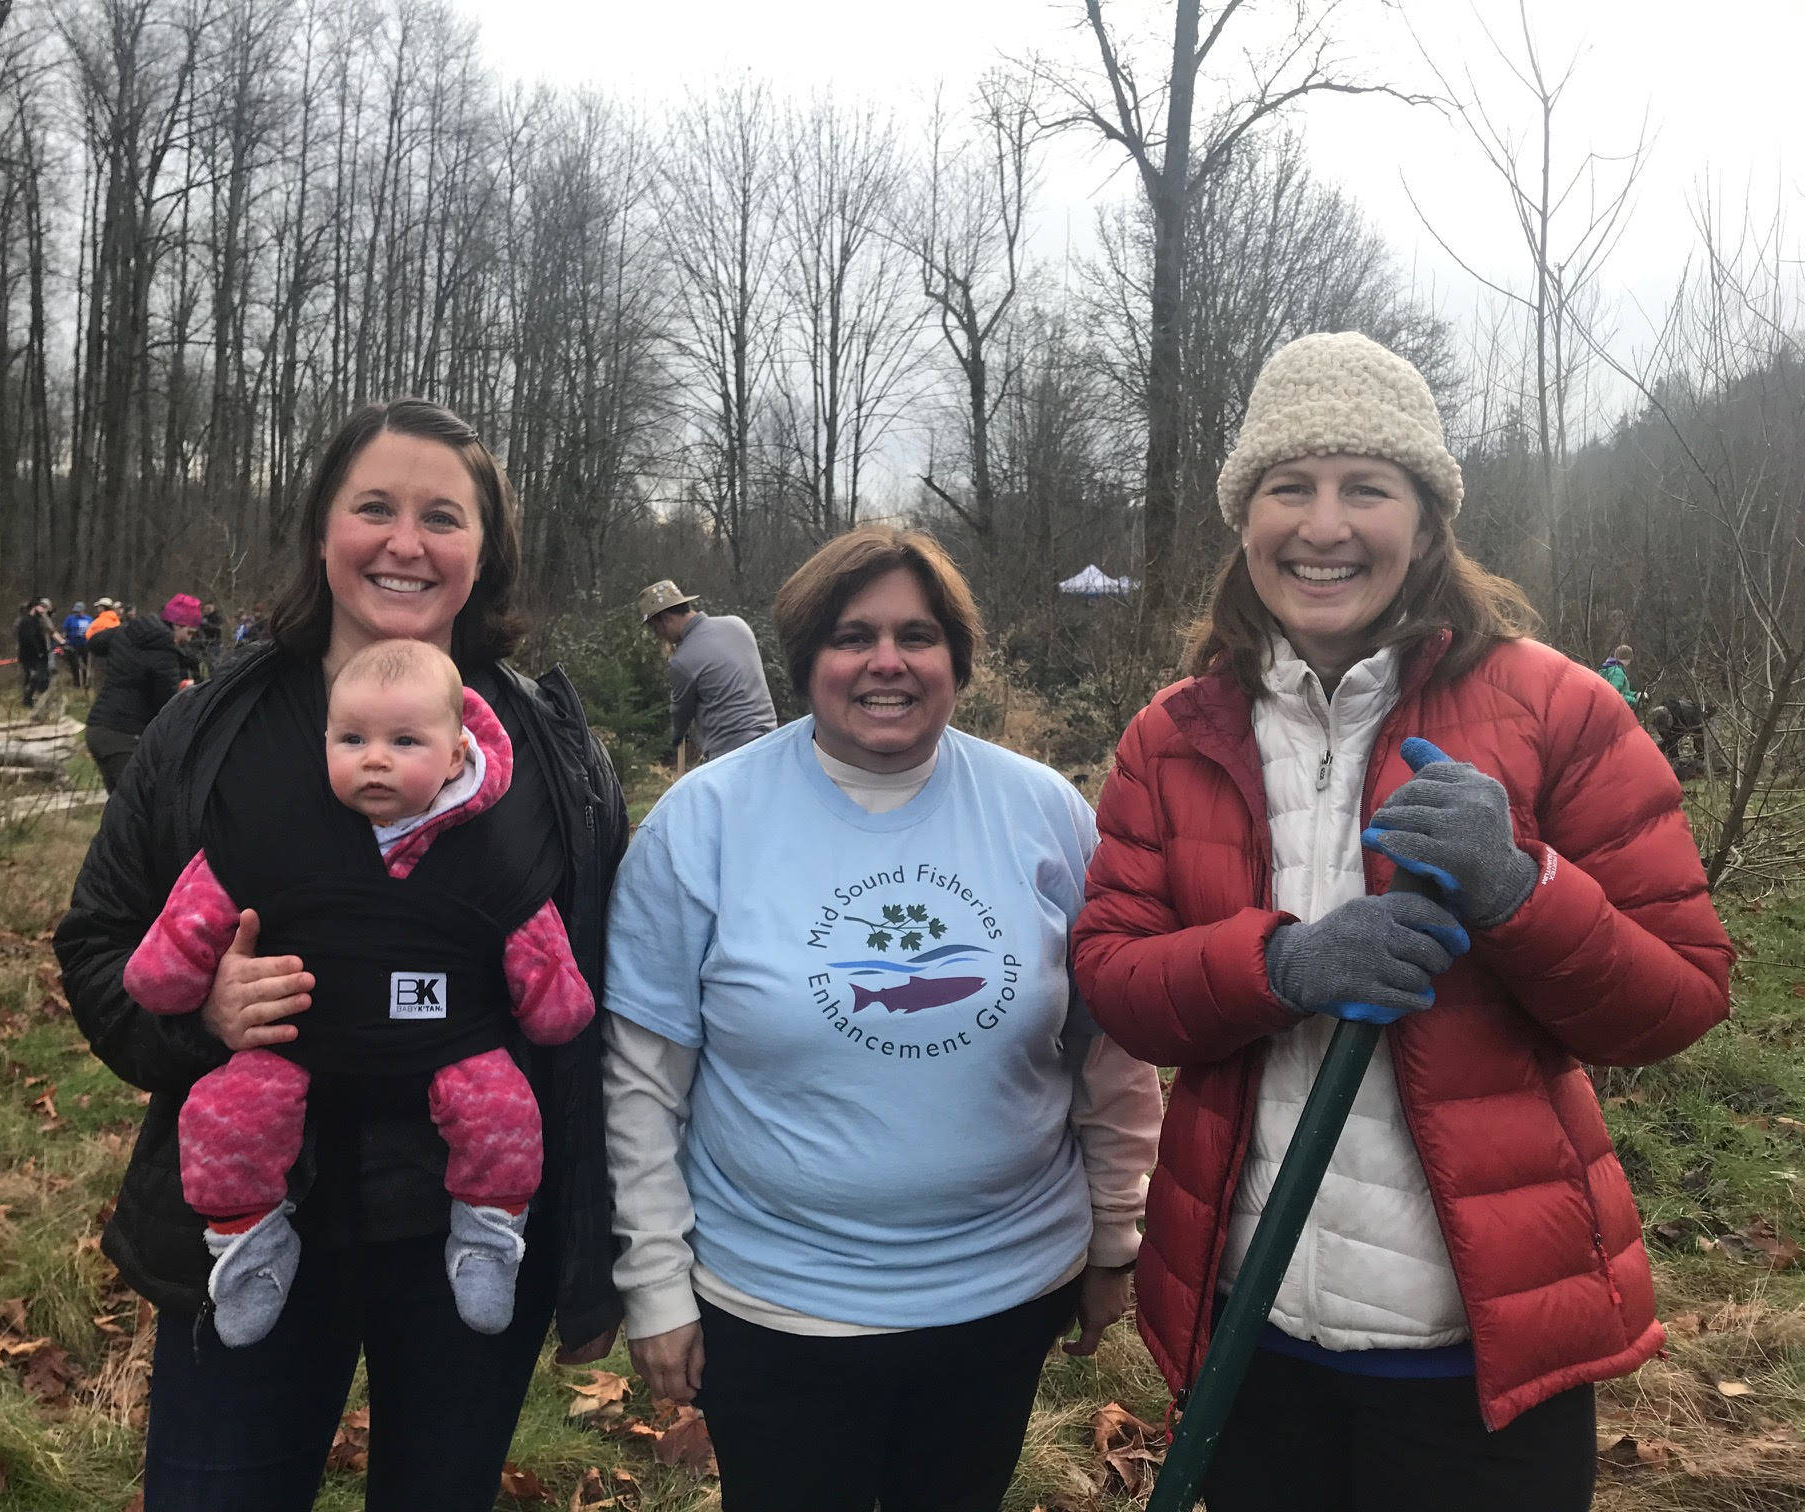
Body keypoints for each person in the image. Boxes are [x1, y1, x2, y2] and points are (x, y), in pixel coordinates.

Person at [1072, 332, 1733, 1512]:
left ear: (1426, 523)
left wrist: (1517, 888)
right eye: (1289, 486)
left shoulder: (1558, 710)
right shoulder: (1172, 735)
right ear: (1245, 516)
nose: (1323, 526)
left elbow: (1674, 1000)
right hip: (1253, 1321)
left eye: (1366, 488)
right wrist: (1286, 963)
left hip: (1480, 1352)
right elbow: (1115, 978)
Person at [55, 398, 626, 1512]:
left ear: (483, 555)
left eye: (441, 518)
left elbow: (595, 1011)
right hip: (256, 1213)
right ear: (323, 530)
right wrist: (199, 1015)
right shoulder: (208, 732)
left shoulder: (553, 755)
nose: (404, 543)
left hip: (471, 1225)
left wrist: (599, 1259)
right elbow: (96, 944)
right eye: (375, 507)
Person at [606, 527, 1163, 1512]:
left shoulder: (1047, 814)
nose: (886, 662)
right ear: (806, 658)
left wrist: (1116, 1231)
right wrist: (653, 1280)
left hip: (1001, 1294)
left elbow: (1105, 1047)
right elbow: (645, 1078)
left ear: (958, 659)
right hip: (774, 1303)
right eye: (851, 635)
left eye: (918, 635)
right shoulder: (704, 820)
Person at [121, 638, 594, 1346]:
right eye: (352, 739)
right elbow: (195, 910)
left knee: (503, 1112)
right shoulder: (273, 820)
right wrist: (186, 985)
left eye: (405, 741)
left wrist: (553, 1001)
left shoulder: (494, 844)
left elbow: (545, 966)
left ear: (457, 753)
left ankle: (490, 1231)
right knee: (224, 1114)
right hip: (296, 1037)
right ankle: (248, 1241)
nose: (375, 758)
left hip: (449, 1040)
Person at [638, 579, 778, 770]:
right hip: (772, 741)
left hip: (730, 755)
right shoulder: (737, 624)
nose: (659, 636)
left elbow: (681, 711)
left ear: (665, 619)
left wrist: (677, 735)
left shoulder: (683, 660)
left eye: (656, 629)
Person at [83, 594, 201, 793]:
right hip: (125, 735)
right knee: (138, 809)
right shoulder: (165, 650)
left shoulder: (130, 630)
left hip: (97, 729)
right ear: (177, 625)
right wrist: (183, 692)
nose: (189, 639)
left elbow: (95, 642)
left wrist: (122, 634)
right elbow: (165, 705)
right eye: (189, 632)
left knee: (119, 810)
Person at [15, 597, 54, 708]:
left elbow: (47, 633)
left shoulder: (38, 620)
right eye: (41, 607)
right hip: (29, 655)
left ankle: (36, 699)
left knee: (41, 677)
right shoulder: (25, 621)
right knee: (32, 677)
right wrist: (38, 651)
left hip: (40, 654)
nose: (43, 609)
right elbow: (27, 639)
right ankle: (27, 699)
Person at [61, 602, 94, 689]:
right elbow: (64, 630)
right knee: (74, 664)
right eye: (76, 611)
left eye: (79, 611)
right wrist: (64, 640)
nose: (77, 613)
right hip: (72, 645)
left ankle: (86, 682)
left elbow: (93, 631)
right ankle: (76, 683)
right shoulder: (70, 619)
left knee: (85, 664)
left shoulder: (89, 619)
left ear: (83, 610)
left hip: (85, 645)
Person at [1599, 643, 1640, 708]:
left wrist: (1635, 694)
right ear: (1628, 658)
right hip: (1614, 710)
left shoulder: (1609, 669)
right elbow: (1613, 695)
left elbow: (1623, 691)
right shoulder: (1618, 672)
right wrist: (1634, 701)